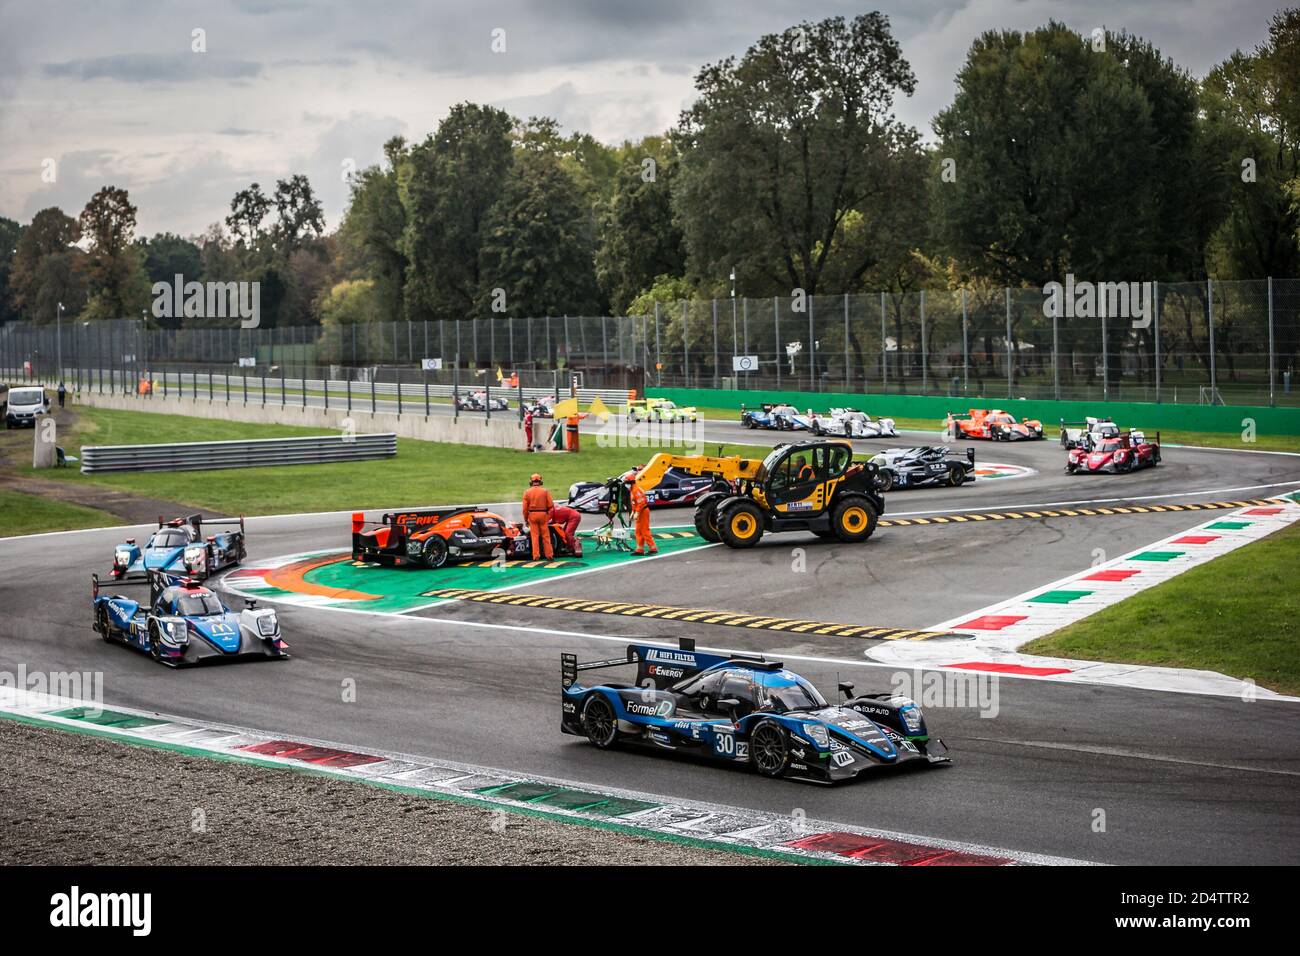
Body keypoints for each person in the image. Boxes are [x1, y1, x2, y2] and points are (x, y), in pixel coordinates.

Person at [521, 473, 554, 560]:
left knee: (534, 536)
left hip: (532, 515)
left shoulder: (527, 492)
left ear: (531, 482)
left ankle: (536, 556)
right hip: (543, 514)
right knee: (546, 536)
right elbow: (551, 505)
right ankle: (549, 555)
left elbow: (524, 509)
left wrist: (526, 519)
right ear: (540, 481)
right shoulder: (545, 491)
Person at [627, 473, 657, 556]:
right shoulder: (632, 490)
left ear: (631, 483)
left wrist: (636, 512)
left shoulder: (636, 490)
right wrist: (633, 512)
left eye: (627, 483)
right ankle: (639, 549)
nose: (626, 485)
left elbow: (641, 502)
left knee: (644, 530)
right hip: (639, 511)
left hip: (643, 511)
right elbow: (634, 503)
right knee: (638, 531)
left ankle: (653, 548)